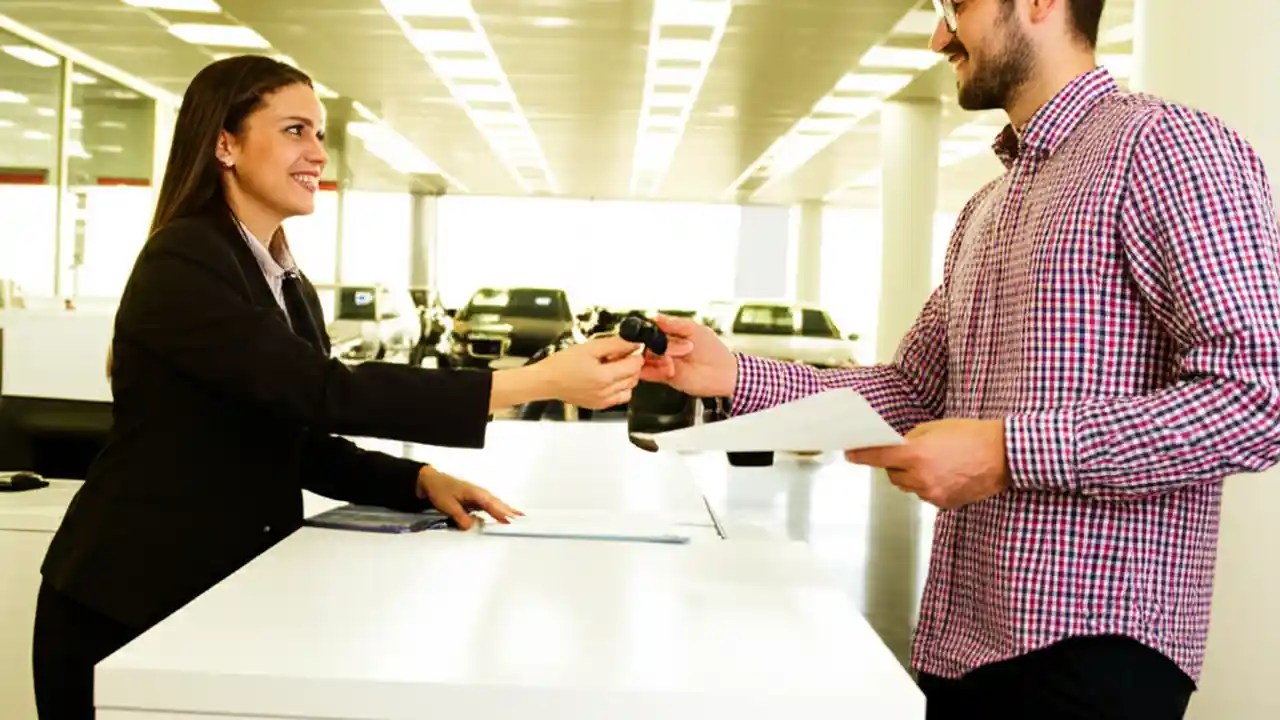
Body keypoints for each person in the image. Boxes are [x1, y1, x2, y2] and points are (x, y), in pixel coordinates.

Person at [642, 0, 1280, 717]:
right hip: (962, 643)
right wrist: (730, 373)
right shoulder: (986, 208)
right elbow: (912, 390)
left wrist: (1008, 451)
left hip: (1096, 651)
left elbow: (1258, 399)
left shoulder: (1168, 149)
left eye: (957, 6)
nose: (938, 35)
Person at [33, 55, 644, 720]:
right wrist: (534, 381)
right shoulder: (185, 259)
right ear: (225, 144)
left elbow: (297, 441)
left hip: (215, 607)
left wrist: (416, 481)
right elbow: (324, 390)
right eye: (296, 130)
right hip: (124, 608)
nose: (318, 153)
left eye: (321, 134)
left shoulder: (286, 283)